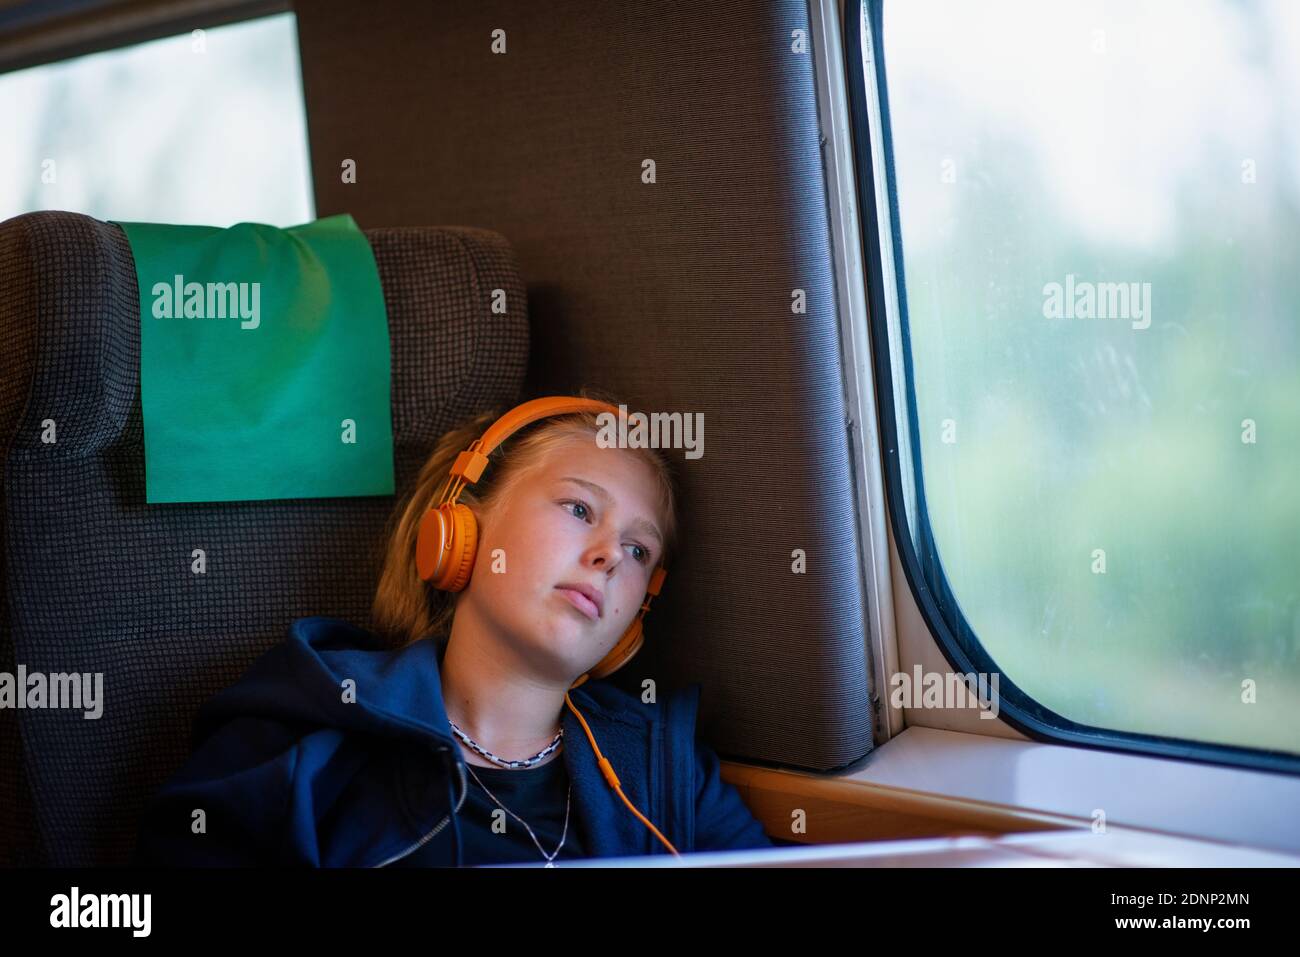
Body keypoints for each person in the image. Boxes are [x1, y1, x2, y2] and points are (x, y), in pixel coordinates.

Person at [133, 389, 775, 866]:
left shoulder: (665, 770)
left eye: (640, 551)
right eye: (580, 508)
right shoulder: (308, 733)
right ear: (460, 531)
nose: (611, 555)